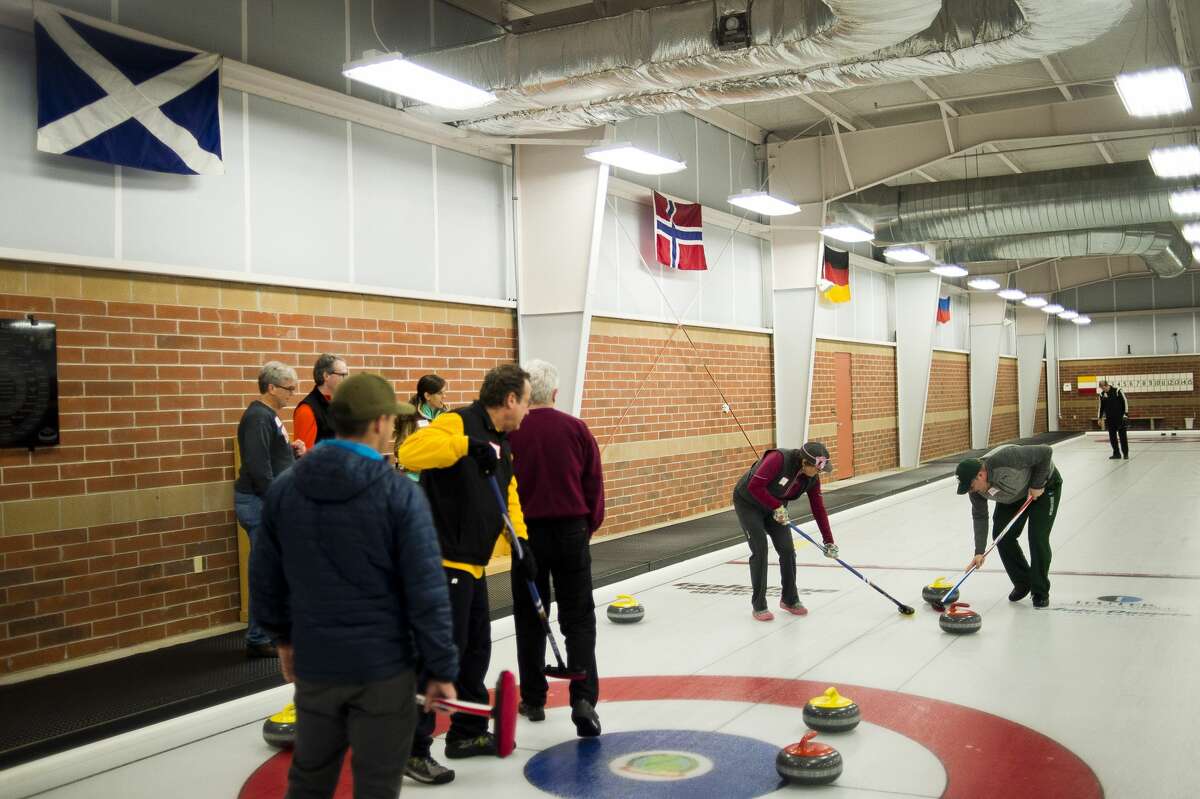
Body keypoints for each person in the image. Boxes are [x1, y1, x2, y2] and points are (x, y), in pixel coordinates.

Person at [251, 374, 458, 799]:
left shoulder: (286, 489)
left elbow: (266, 576)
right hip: (385, 669)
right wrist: (440, 666)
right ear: (380, 422)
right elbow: (426, 590)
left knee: (309, 780)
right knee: (377, 785)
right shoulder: (398, 494)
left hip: (316, 663)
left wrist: (284, 640)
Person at [398, 364, 534, 760]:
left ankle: (467, 733)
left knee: (475, 652)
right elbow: (410, 454)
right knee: (438, 656)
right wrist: (462, 446)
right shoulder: (457, 422)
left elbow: (507, 496)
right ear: (510, 400)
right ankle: (414, 748)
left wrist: (520, 544)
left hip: (473, 565)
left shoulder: (502, 441)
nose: (526, 411)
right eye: (525, 403)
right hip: (443, 561)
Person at [507, 360, 605, 737]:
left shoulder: (512, 432)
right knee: (579, 617)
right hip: (570, 532)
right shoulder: (576, 429)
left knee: (530, 616)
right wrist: (585, 529)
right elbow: (593, 484)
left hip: (526, 535)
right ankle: (583, 699)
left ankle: (533, 697)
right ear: (556, 393)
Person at [234, 361, 306, 658]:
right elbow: (258, 467)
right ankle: (257, 638)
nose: (293, 393)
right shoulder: (258, 418)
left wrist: (290, 451)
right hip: (259, 502)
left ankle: (267, 633)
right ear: (271, 387)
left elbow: (268, 457)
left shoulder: (268, 416)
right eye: (289, 388)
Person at [732, 442, 839, 622]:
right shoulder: (778, 459)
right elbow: (754, 486)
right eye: (817, 469)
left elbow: (818, 508)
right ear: (805, 462)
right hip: (749, 504)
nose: (819, 473)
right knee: (760, 549)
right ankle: (759, 605)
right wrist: (776, 506)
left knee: (788, 550)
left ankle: (789, 599)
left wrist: (828, 540)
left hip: (776, 510)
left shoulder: (811, 478)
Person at [955, 443, 1063, 608]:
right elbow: (980, 517)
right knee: (1001, 536)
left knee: (1037, 537)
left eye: (970, 486)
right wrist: (979, 552)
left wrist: (1037, 484)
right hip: (1012, 496)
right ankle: (1023, 581)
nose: (971, 491)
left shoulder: (1007, 458)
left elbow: (1045, 452)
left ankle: (1040, 591)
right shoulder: (976, 492)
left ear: (981, 475)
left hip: (1044, 487)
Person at [293, 354, 349, 450]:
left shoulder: (339, 404)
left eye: (346, 375)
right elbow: (304, 456)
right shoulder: (306, 410)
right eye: (342, 375)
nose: (346, 379)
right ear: (326, 376)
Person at [1097, 379, 1129, 460]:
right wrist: (1100, 418)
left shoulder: (1117, 391)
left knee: (1123, 437)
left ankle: (1125, 454)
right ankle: (1116, 453)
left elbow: (1125, 402)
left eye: (1103, 388)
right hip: (1110, 419)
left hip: (1120, 418)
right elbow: (1101, 407)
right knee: (1112, 437)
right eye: (1101, 388)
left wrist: (1125, 414)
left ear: (1107, 385)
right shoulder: (1102, 394)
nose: (1103, 390)